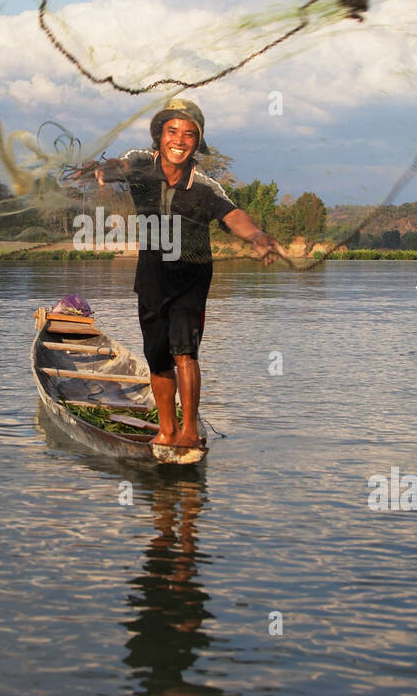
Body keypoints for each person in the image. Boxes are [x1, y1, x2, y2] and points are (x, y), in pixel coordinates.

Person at [91, 97, 288, 449]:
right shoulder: (140, 163)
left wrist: (257, 236)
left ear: (197, 142)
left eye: (188, 134)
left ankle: (190, 430)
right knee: (157, 355)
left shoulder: (206, 187)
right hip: (151, 274)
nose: (179, 140)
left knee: (185, 350)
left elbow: (233, 215)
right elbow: (118, 163)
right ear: (159, 135)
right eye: (172, 131)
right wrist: (104, 169)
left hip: (191, 277)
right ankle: (167, 429)